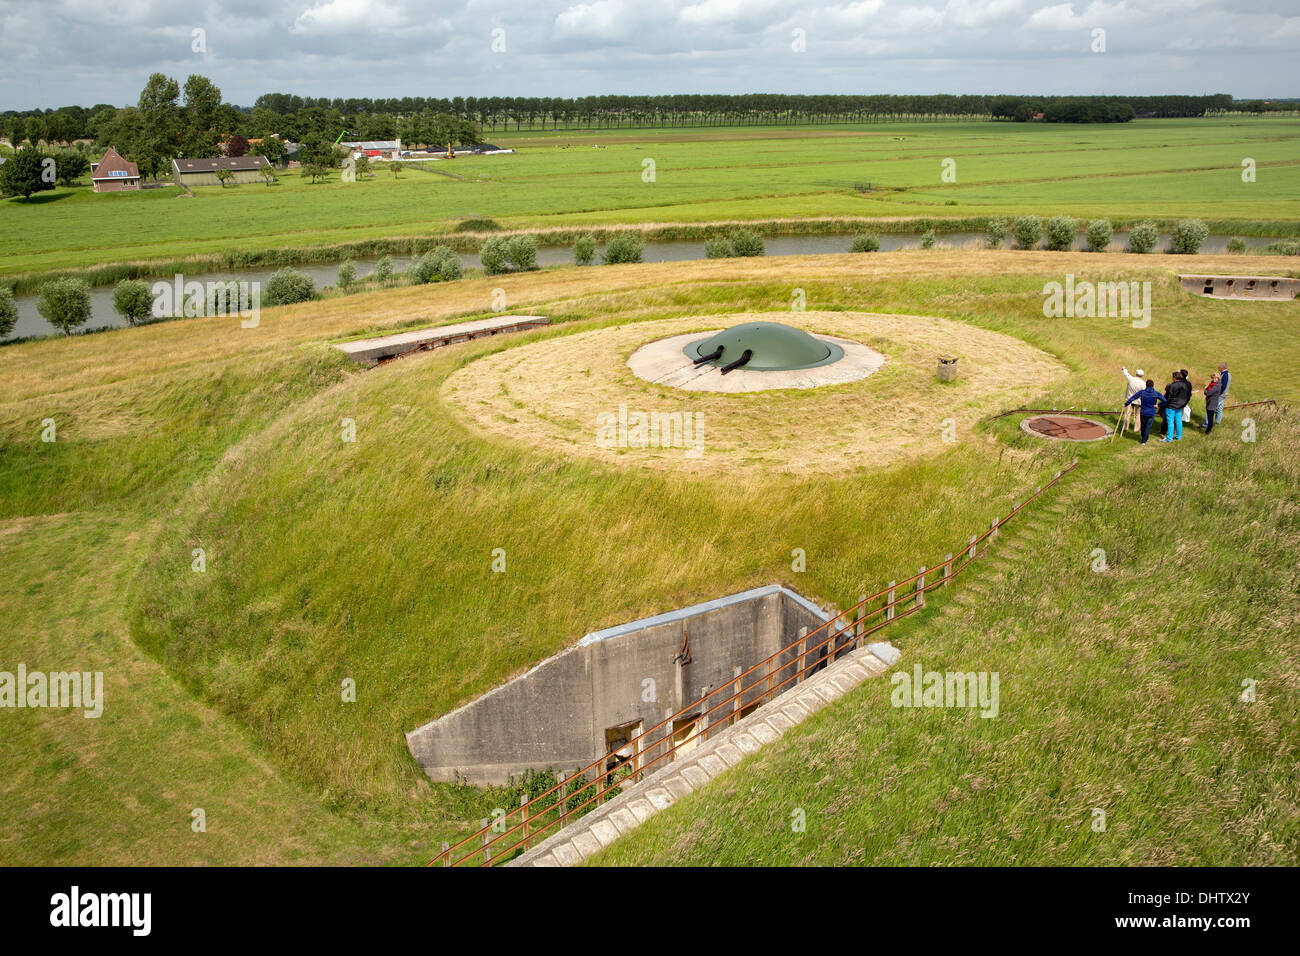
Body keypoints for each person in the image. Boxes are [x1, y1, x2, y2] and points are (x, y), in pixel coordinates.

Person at [1124, 379, 1165, 445]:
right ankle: (1144, 440)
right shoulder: (1156, 393)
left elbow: (1133, 398)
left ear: (1146, 385)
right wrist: (1158, 405)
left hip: (1143, 412)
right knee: (1148, 426)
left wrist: (1126, 404)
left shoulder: (1142, 392)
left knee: (1143, 425)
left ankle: (1143, 437)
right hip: (1151, 412)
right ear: (1153, 385)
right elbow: (1164, 401)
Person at [1161, 370, 1191, 442]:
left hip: (1171, 406)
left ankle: (1169, 438)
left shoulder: (1172, 385)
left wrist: (1165, 404)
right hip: (1180, 406)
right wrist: (1184, 404)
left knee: (1170, 422)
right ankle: (1178, 436)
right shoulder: (1185, 385)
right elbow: (1187, 396)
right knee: (1178, 421)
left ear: (1174, 377)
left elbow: (1168, 397)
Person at [1120, 366, 1145, 434]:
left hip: (1129, 400)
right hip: (1139, 401)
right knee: (1138, 415)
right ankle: (1136, 429)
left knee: (1127, 414)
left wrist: (1124, 368)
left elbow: (1126, 374)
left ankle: (1125, 427)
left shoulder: (1131, 379)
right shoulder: (1143, 383)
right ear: (1142, 375)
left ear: (1136, 374)